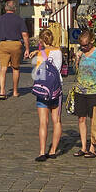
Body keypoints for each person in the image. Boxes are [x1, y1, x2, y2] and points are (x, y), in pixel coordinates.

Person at [72, 28, 96, 157]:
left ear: (91, 41)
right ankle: (83, 147)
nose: (84, 47)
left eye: (86, 45)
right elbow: (76, 72)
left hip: (94, 91)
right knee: (81, 118)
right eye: (82, 45)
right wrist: (77, 59)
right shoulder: (80, 53)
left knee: (93, 119)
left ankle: (92, 147)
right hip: (80, 90)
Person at [31, 27, 63, 161]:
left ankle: (42, 151)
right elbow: (59, 68)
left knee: (43, 122)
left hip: (43, 90)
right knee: (56, 121)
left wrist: (39, 52)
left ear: (41, 40)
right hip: (56, 89)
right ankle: (53, 150)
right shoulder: (58, 52)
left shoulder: (41, 53)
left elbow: (38, 73)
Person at [0, 0, 30, 99]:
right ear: (15, 9)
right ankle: (15, 91)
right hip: (16, 44)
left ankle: (2, 91)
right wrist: (27, 49)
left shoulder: (0, 19)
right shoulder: (19, 19)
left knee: (3, 68)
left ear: (5, 8)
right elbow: (25, 35)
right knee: (16, 68)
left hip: (3, 44)